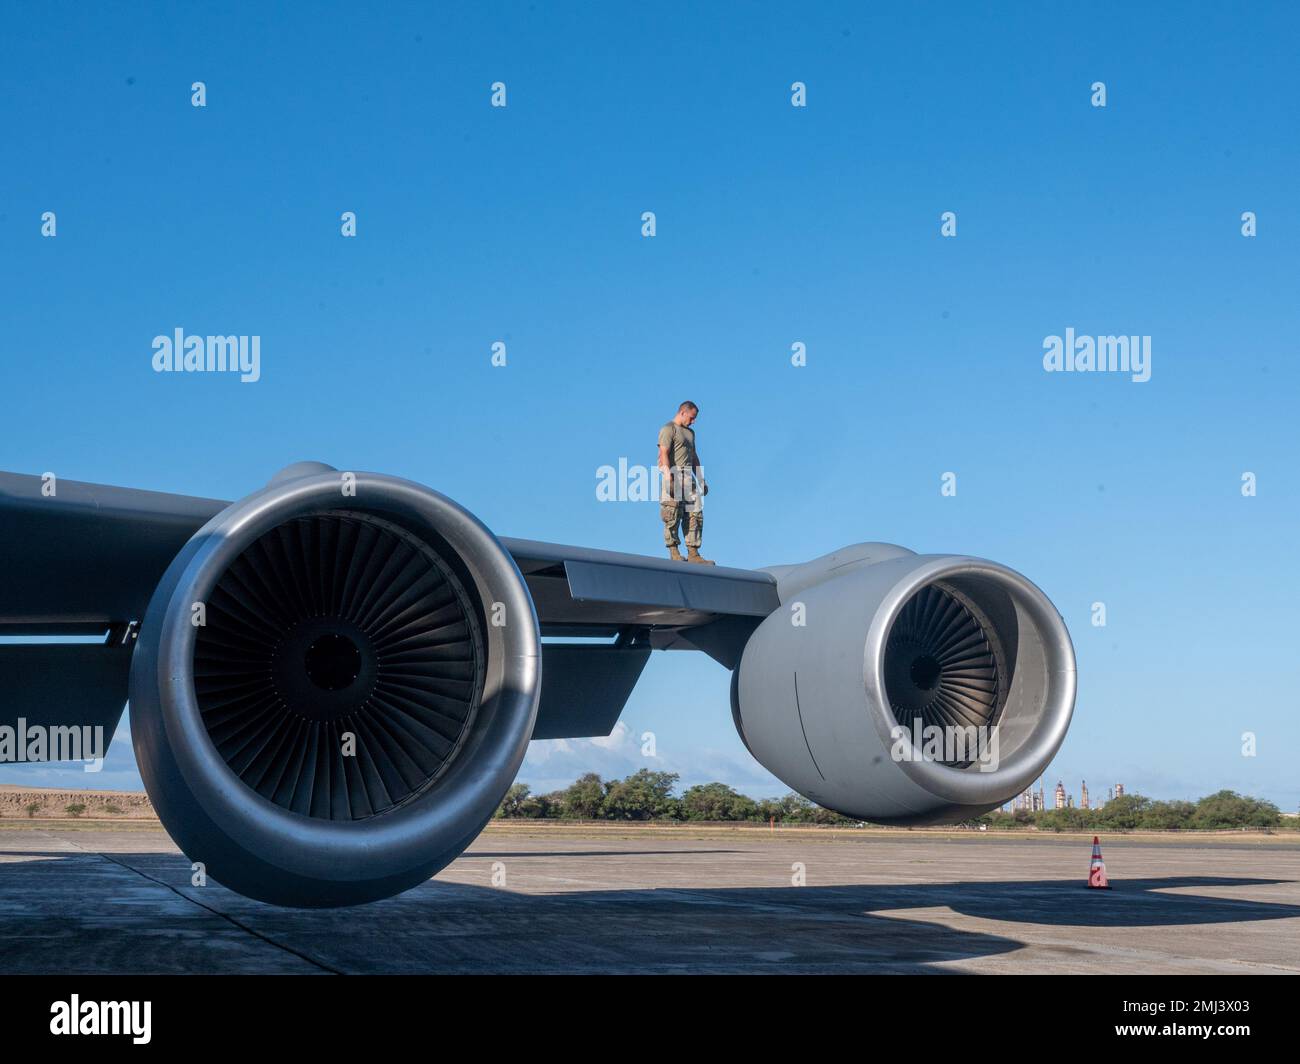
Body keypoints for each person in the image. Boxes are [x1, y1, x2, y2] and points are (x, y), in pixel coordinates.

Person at [657, 401, 713, 564]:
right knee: (673, 514)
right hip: (674, 474)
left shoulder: (690, 433)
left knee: (695, 514)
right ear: (683, 412)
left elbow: (694, 457)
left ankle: (693, 553)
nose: (693, 421)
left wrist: (701, 480)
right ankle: (674, 551)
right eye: (692, 417)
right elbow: (663, 453)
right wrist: (668, 477)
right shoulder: (668, 429)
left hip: (689, 477)